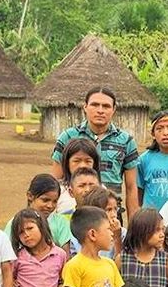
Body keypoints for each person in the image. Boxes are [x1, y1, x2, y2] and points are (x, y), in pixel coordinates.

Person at [50, 87, 139, 219]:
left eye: (106, 106)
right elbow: (54, 183)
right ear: (85, 107)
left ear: (114, 109)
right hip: (70, 212)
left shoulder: (126, 141)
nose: (100, 110)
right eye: (95, 105)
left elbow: (131, 188)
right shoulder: (68, 137)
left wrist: (133, 224)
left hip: (110, 213)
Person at [4, 173, 73, 253]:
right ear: (30, 196)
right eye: (45, 200)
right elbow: (7, 253)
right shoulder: (15, 223)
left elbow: (66, 255)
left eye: (55, 201)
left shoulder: (61, 223)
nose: (50, 206)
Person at [55, 138, 102, 215]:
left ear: (94, 164)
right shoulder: (58, 191)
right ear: (67, 163)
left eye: (88, 161)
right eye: (76, 161)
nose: (82, 165)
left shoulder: (101, 190)